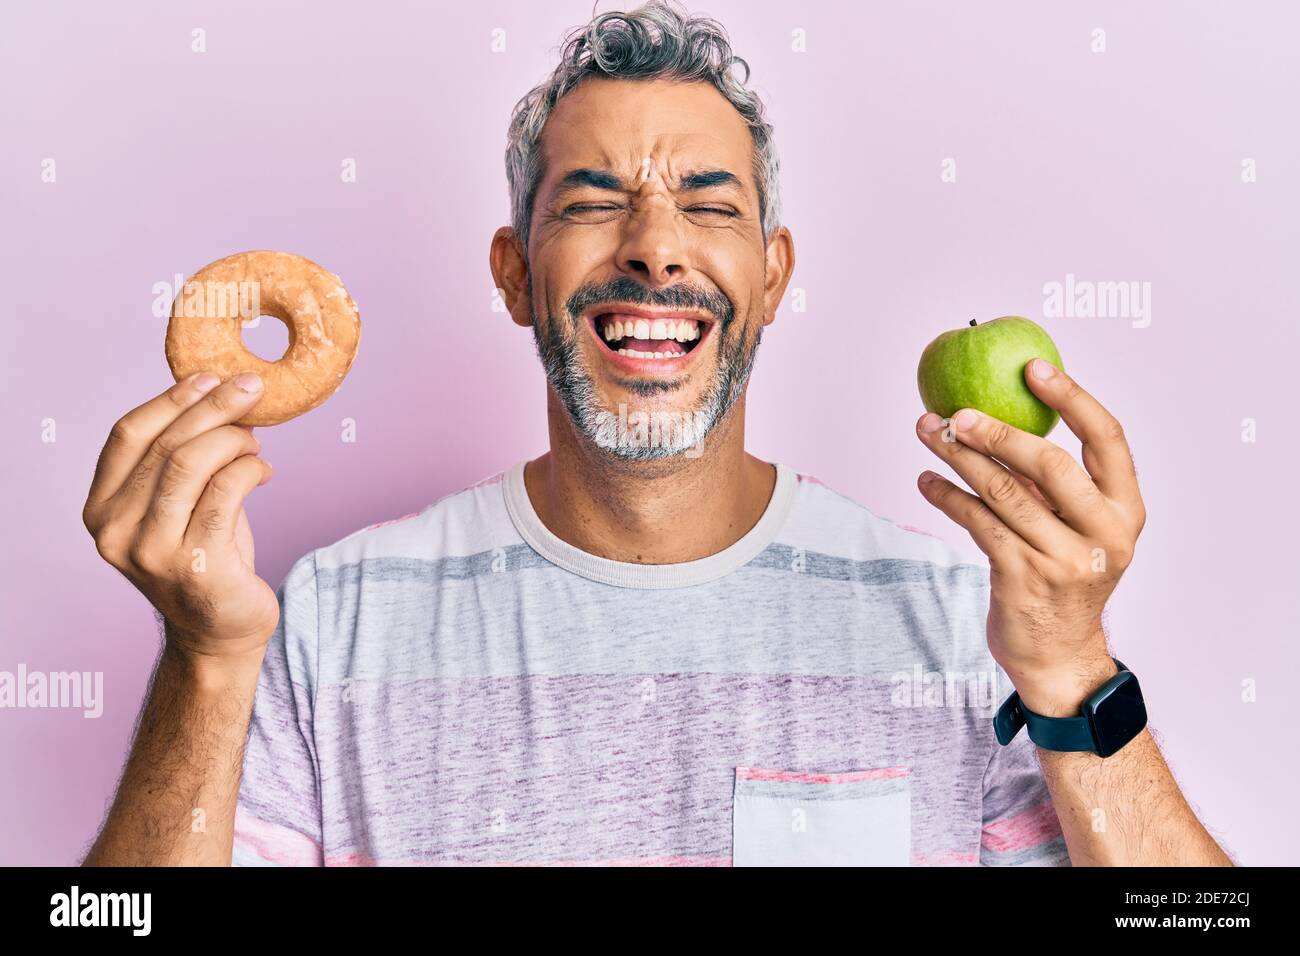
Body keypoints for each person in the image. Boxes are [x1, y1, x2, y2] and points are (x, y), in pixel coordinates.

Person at [82, 0, 1231, 866]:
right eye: (589, 201)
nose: (654, 247)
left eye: (710, 204)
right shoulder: (332, 615)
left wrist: (1073, 666)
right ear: (514, 275)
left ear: (770, 276)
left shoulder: (957, 618)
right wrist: (205, 657)